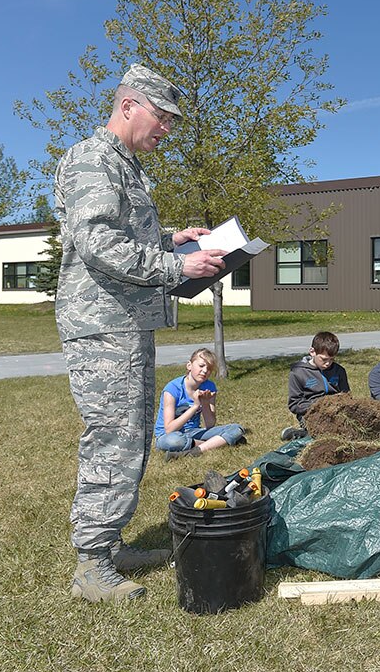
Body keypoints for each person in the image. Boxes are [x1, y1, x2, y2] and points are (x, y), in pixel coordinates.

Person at [55, 64, 226, 602]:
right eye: (162, 117)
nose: (166, 129)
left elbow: (123, 234)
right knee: (112, 437)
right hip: (103, 329)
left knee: (129, 437)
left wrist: (176, 238)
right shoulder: (91, 159)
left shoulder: (124, 166)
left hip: (125, 326)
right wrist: (180, 268)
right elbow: (99, 245)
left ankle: (109, 544)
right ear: (128, 106)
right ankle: (91, 563)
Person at [156, 348, 245, 460]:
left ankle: (196, 450)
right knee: (174, 441)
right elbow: (169, 429)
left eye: (209, 369)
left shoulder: (209, 387)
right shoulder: (172, 389)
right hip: (168, 435)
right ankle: (217, 442)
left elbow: (210, 424)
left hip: (193, 432)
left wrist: (206, 403)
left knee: (236, 429)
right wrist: (195, 406)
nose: (204, 371)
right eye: (201, 366)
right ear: (189, 365)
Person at [282, 331, 349, 441]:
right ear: (312, 352)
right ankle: (299, 434)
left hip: (336, 411)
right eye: (324, 359)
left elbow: (346, 395)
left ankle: (303, 435)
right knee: (325, 432)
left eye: (332, 359)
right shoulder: (298, 373)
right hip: (310, 413)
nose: (328, 364)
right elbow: (295, 404)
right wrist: (318, 405)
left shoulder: (339, 371)